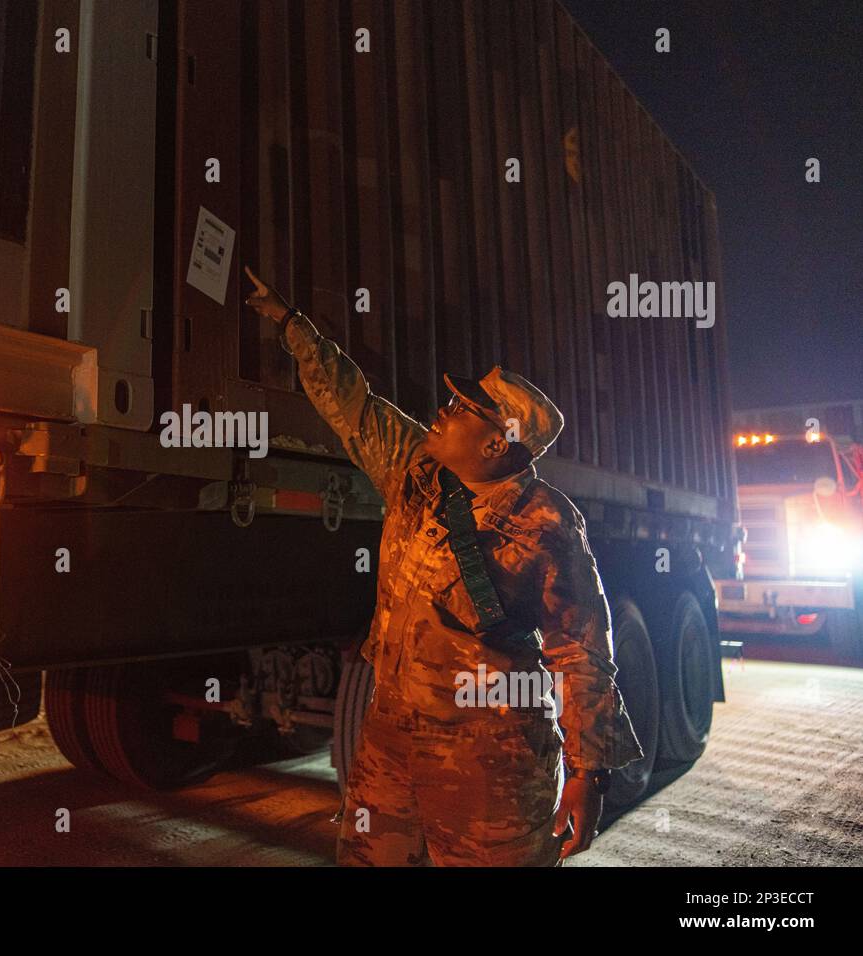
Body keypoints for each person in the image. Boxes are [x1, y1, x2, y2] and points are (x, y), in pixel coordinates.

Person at [243, 265, 643, 866]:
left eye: (461, 409)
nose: (443, 409)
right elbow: (355, 407)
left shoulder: (547, 524)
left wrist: (589, 775)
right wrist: (292, 325)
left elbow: (579, 650)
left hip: (490, 758)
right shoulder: (417, 474)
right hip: (392, 736)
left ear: (494, 445)